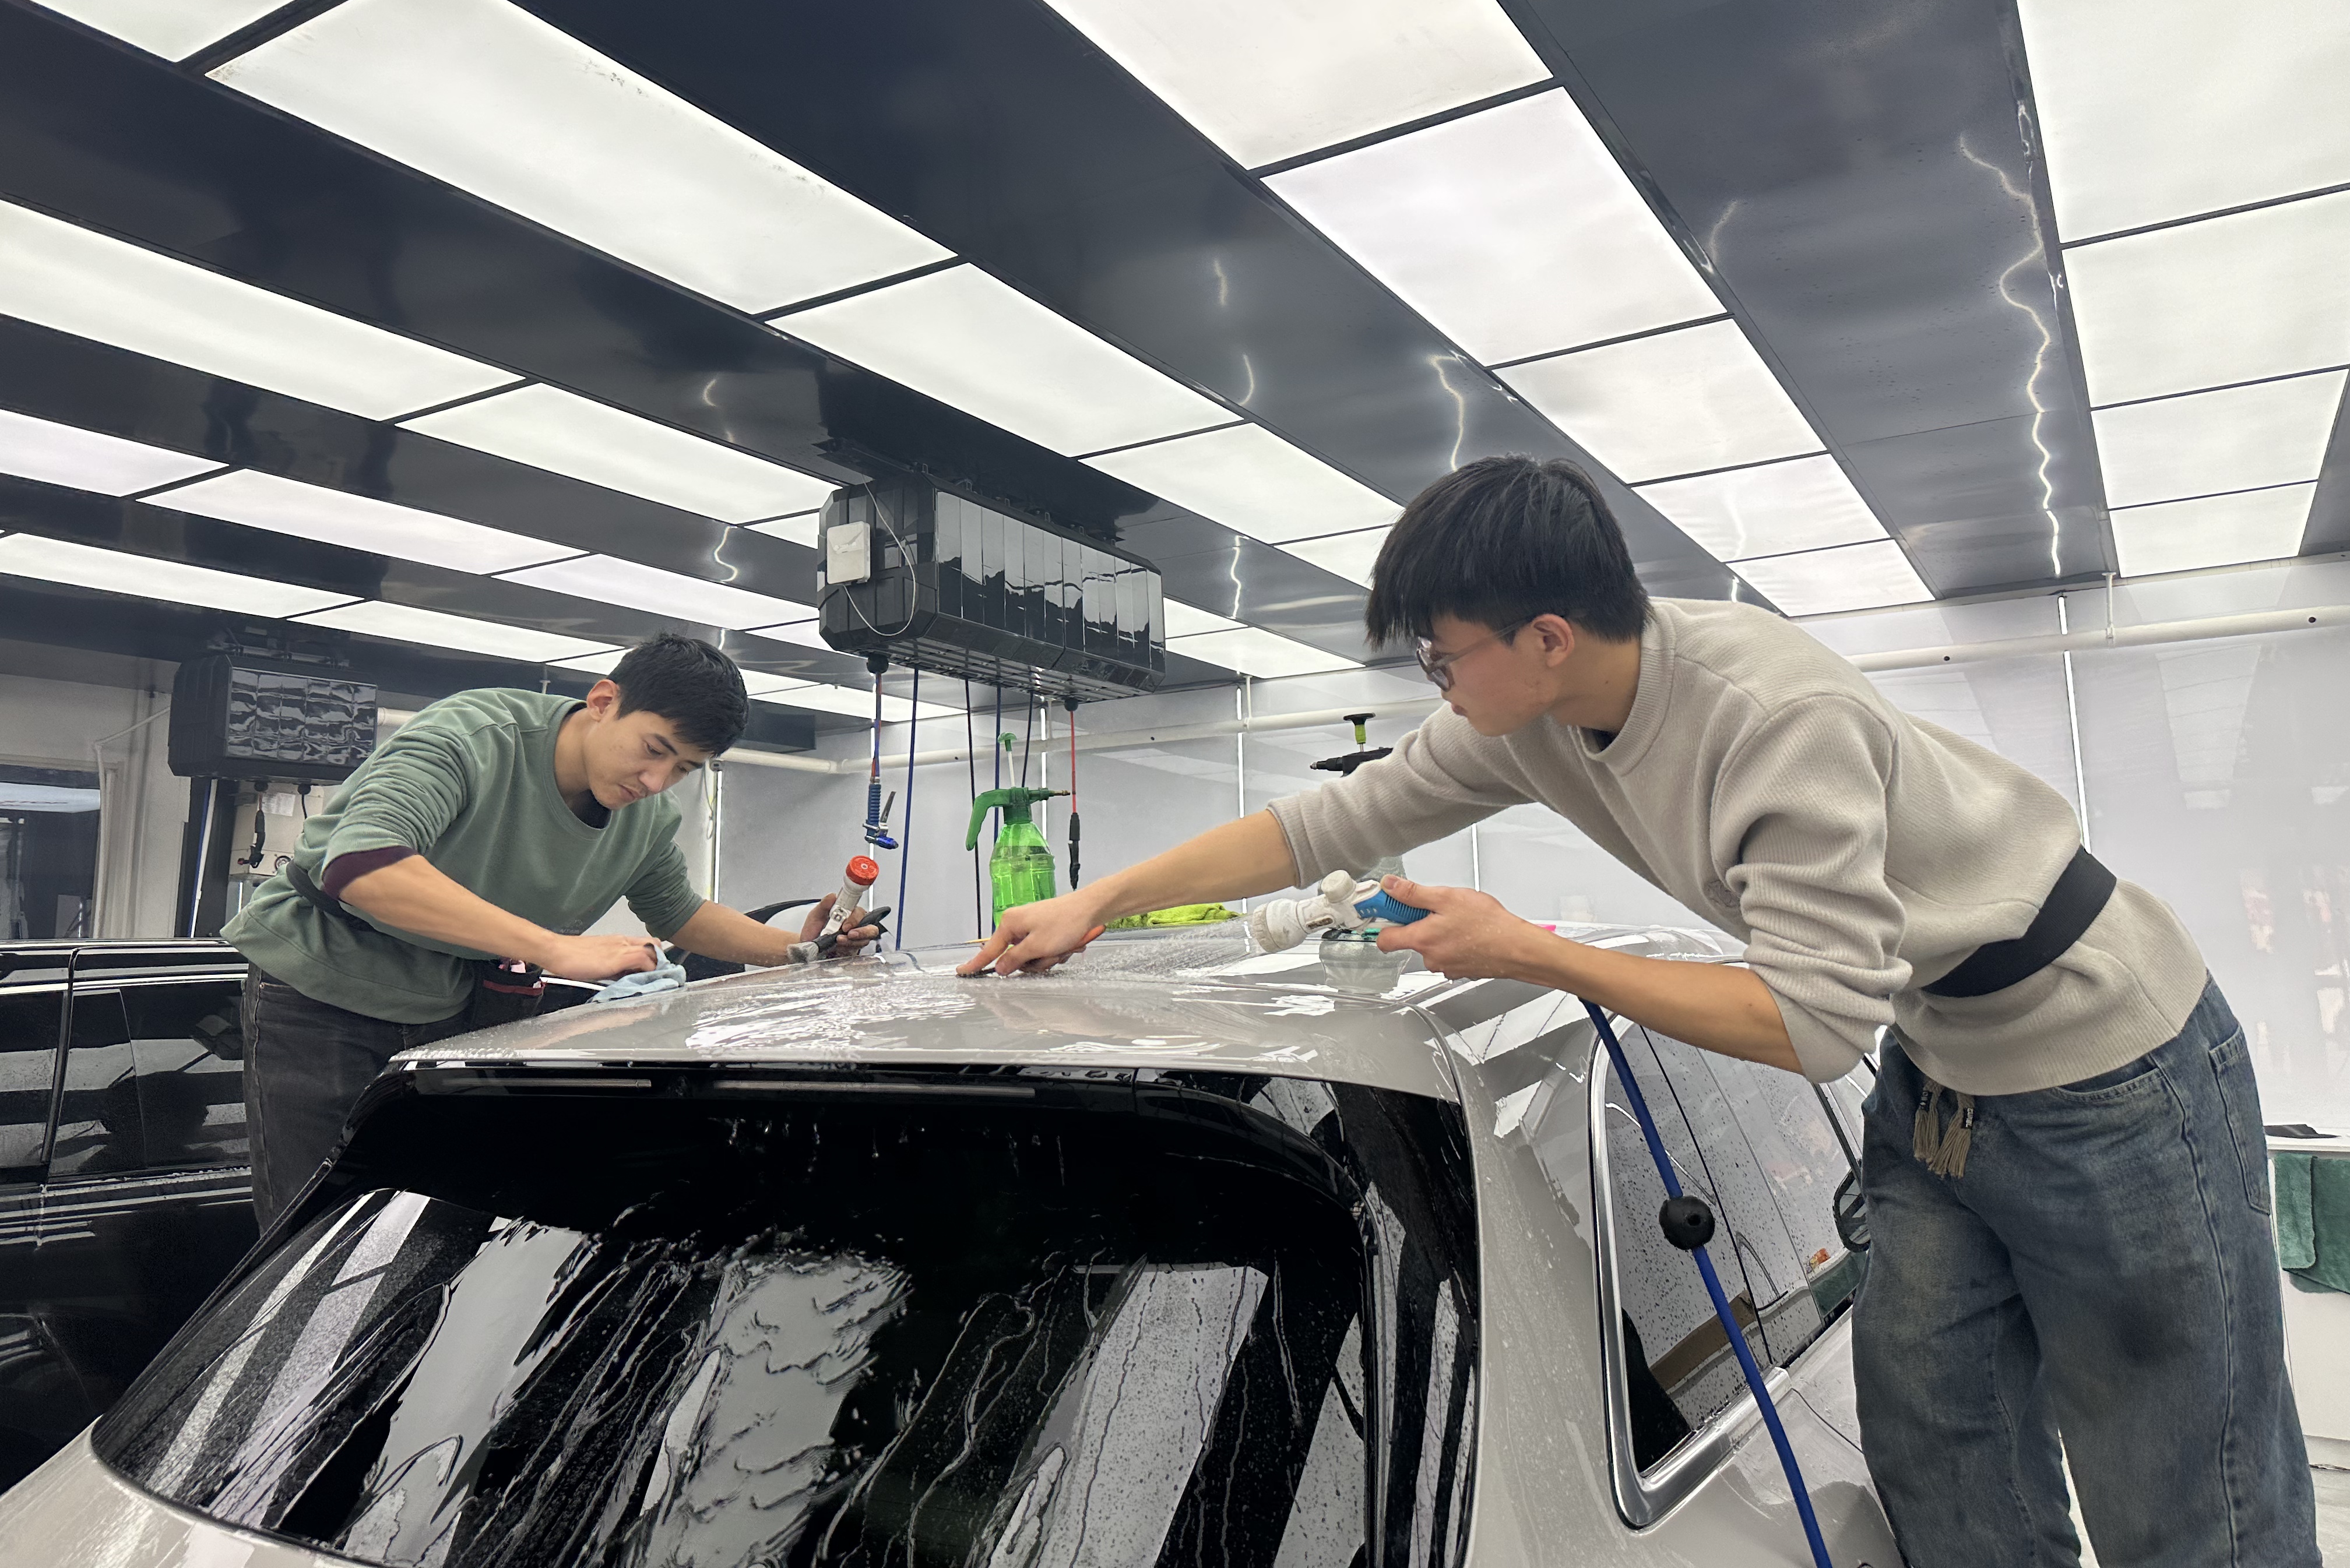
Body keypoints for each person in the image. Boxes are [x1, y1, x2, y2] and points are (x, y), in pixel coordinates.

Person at [960, 456, 2319, 1567]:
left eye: (1443, 659)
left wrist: (1533, 951)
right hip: (1941, 1066)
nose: (1439, 687)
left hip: (2106, 1059)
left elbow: (1814, 1029)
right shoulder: (1528, 721)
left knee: (2182, 1483)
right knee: (1940, 1441)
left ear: (1547, 639)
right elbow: (1328, 824)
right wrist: (1104, 900)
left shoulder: (1770, 718)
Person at [225, 633, 877, 1224]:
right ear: (603, 702)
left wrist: (802, 951)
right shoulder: (474, 736)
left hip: (454, 1011)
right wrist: (554, 948)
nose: (657, 781)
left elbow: (680, 912)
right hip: (323, 995)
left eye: (683, 769)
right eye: (654, 750)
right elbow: (363, 866)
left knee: (435, 1223)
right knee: (315, 1228)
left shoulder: (645, 819)